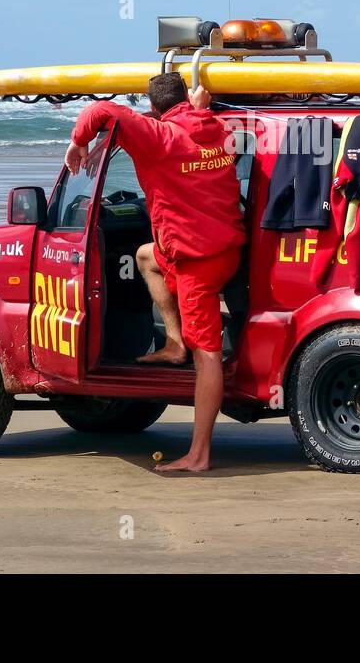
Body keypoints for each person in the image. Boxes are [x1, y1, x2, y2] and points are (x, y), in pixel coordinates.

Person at [65, 73, 244, 472]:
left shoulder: (160, 138)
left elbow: (100, 109)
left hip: (197, 261)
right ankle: (174, 342)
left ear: (156, 108)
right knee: (147, 256)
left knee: (209, 355)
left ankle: (198, 455)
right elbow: (172, 116)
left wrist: (79, 142)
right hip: (224, 249)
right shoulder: (211, 125)